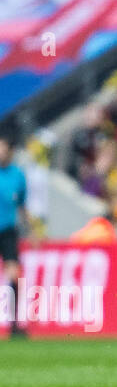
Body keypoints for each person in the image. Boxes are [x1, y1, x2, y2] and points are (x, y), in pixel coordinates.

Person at [0, 137, 28, 340]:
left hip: (8, 230)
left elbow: (22, 204)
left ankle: (15, 323)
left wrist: (32, 229)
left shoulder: (18, 175)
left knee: (13, 274)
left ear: (10, 150)